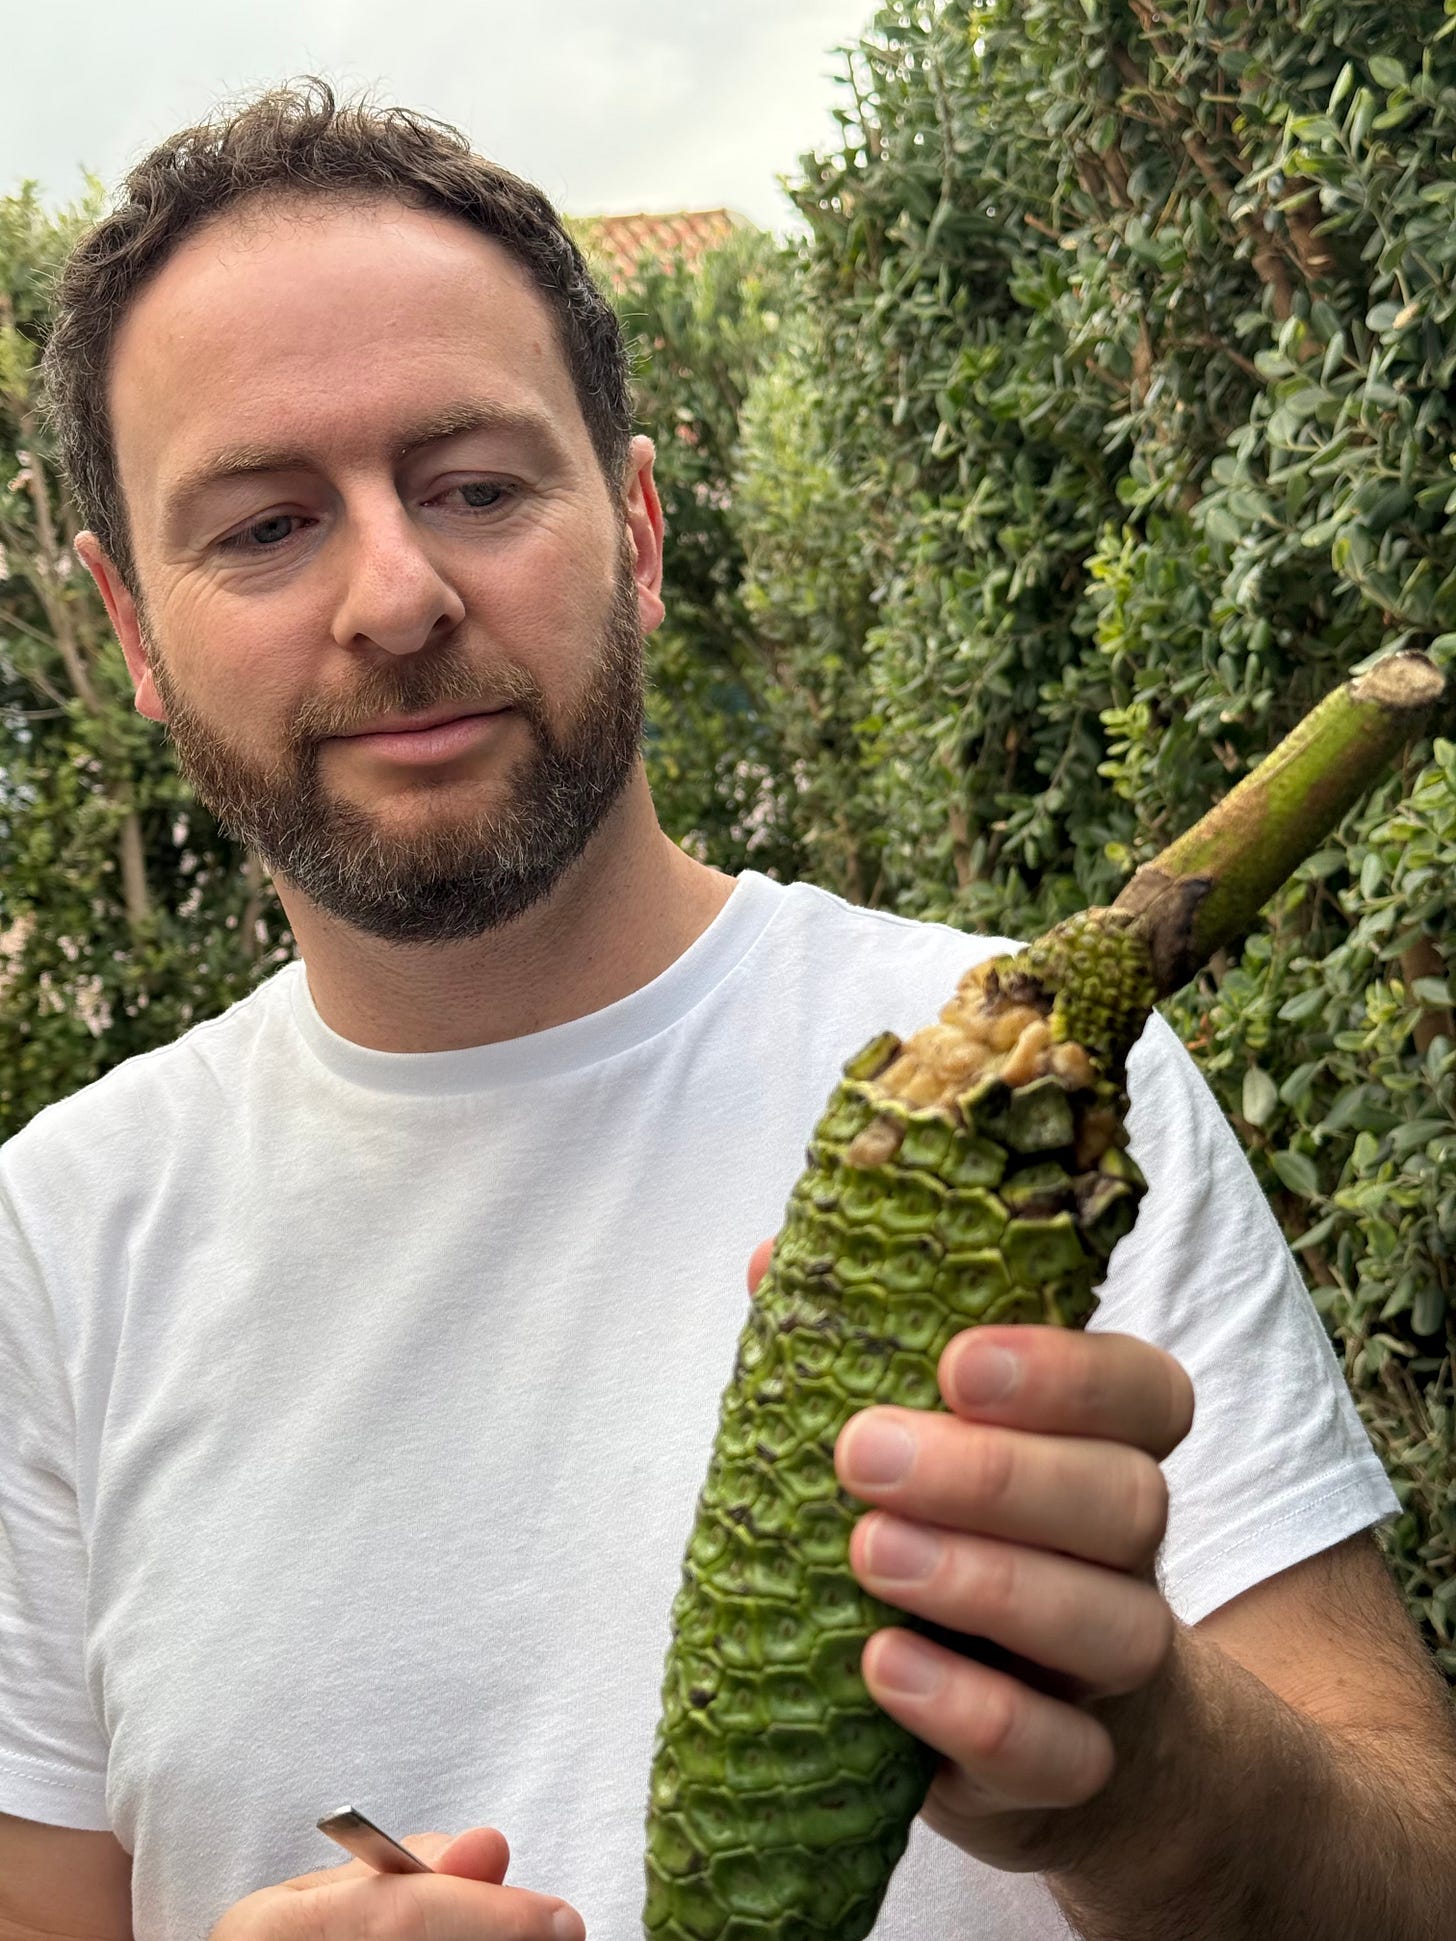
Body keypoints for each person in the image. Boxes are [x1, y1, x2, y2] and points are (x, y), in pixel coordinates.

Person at [0, 81, 1452, 1941]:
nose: (396, 592)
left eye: (475, 485)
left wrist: (1151, 1766)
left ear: (640, 526)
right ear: (131, 627)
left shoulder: (1033, 1095)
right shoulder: (55, 1248)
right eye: (267, 525)